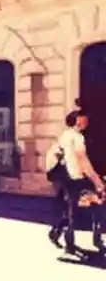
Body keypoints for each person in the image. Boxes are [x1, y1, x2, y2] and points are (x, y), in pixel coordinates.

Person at [48, 110, 105, 257]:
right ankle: (80, 243)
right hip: (76, 178)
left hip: (67, 178)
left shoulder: (65, 135)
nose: (86, 122)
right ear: (77, 121)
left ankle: (59, 234)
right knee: (91, 206)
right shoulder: (76, 137)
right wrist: (97, 181)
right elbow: (82, 160)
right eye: (83, 119)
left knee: (72, 210)